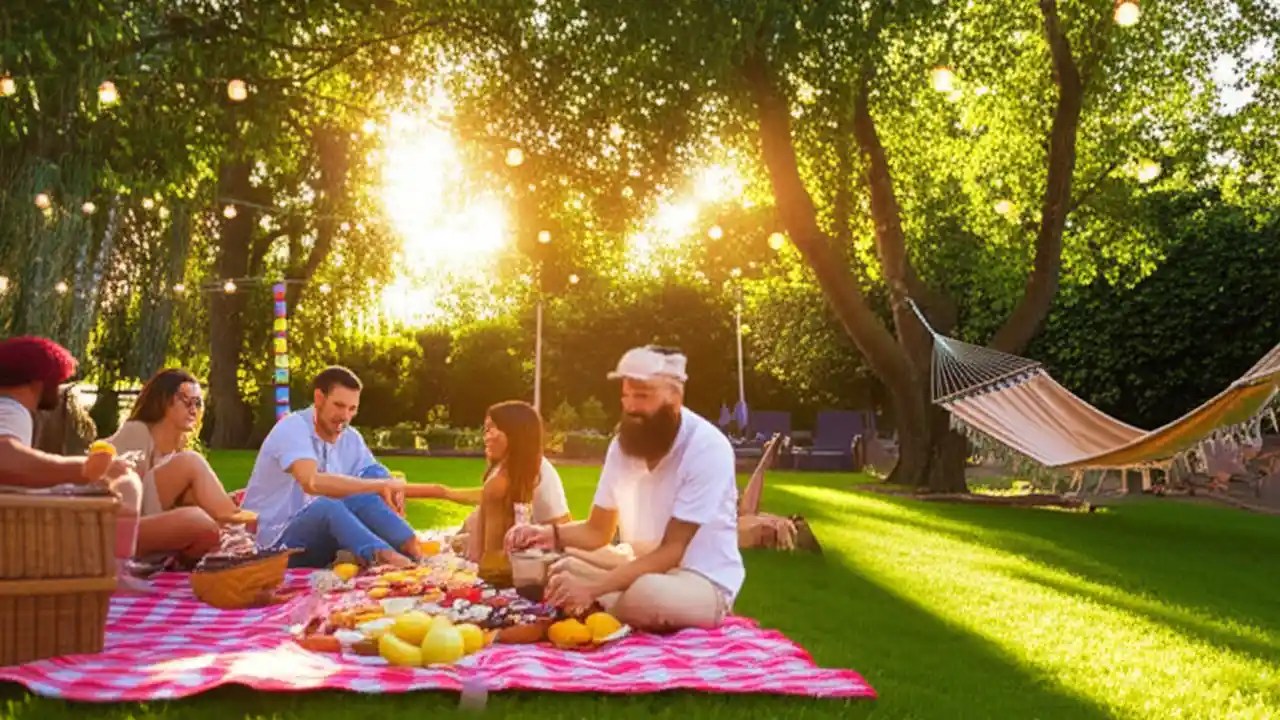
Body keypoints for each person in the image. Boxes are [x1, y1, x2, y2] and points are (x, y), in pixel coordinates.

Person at [506, 345, 745, 632]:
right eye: (626, 396)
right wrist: (547, 534)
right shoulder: (622, 446)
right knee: (562, 567)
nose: (631, 407)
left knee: (648, 595)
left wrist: (592, 588)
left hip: (701, 582)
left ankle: (600, 606)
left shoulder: (707, 448)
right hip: (639, 567)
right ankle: (608, 601)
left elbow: (672, 551)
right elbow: (598, 531)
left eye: (642, 396)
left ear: (675, 397)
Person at [0, 336, 149, 592]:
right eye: (57, 380)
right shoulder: (11, 408)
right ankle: (115, 568)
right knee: (123, 481)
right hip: (14, 530)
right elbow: (5, 457)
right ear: (38, 381)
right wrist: (82, 470)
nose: (59, 388)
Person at [239, 366, 417, 568]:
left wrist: (389, 487)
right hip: (275, 546)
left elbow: (371, 474)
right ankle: (385, 558)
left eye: (352, 409)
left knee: (362, 494)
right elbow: (311, 482)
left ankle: (414, 550)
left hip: (319, 542)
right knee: (327, 506)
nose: (345, 416)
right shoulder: (293, 428)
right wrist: (379, 484)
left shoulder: (350, 437)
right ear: (319, 398)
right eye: (339, 405)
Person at [108, 368, 254, 564]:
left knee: (207, 528)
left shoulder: (176, 452)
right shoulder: (137, 432)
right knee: (191, 464)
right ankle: (238, 535)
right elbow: (121, 497)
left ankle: (232, 544)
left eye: (198, 402)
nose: (193, 409)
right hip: (120, 529)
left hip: (153, 534)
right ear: (163, 400)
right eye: (185, 400)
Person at [405, 400, 571, 568]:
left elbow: (489, 557)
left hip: (546, 552)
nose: (486, 436)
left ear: (514, 433)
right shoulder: (514, 467)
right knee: (471, 522)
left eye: (492, 428)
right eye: (486, 429)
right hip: (534, 550)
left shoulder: (520, 473)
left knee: (471, 524)